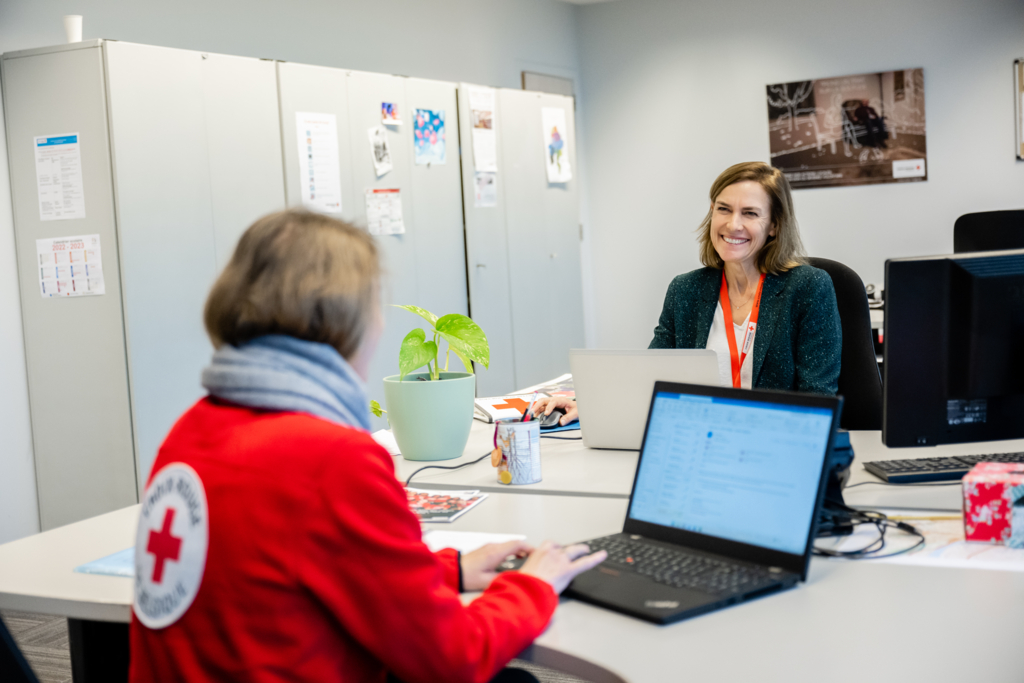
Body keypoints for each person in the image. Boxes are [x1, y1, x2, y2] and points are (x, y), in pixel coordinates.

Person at [129, 210, 606, 683]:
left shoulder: (190, 430)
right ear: (348, 320)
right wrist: (533, 585)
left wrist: (450, 571)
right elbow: (454, 658)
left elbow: (310, 567)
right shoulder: (330, 458)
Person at [535, 161, 841, 426]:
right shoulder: (686, 290)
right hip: (699, 437)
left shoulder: (808, 288)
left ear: (774, 225)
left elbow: (817, 397)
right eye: (724, 209)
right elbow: (651, 377)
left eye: (750, 213)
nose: (733, 224)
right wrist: (590, 405)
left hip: (772, 444)